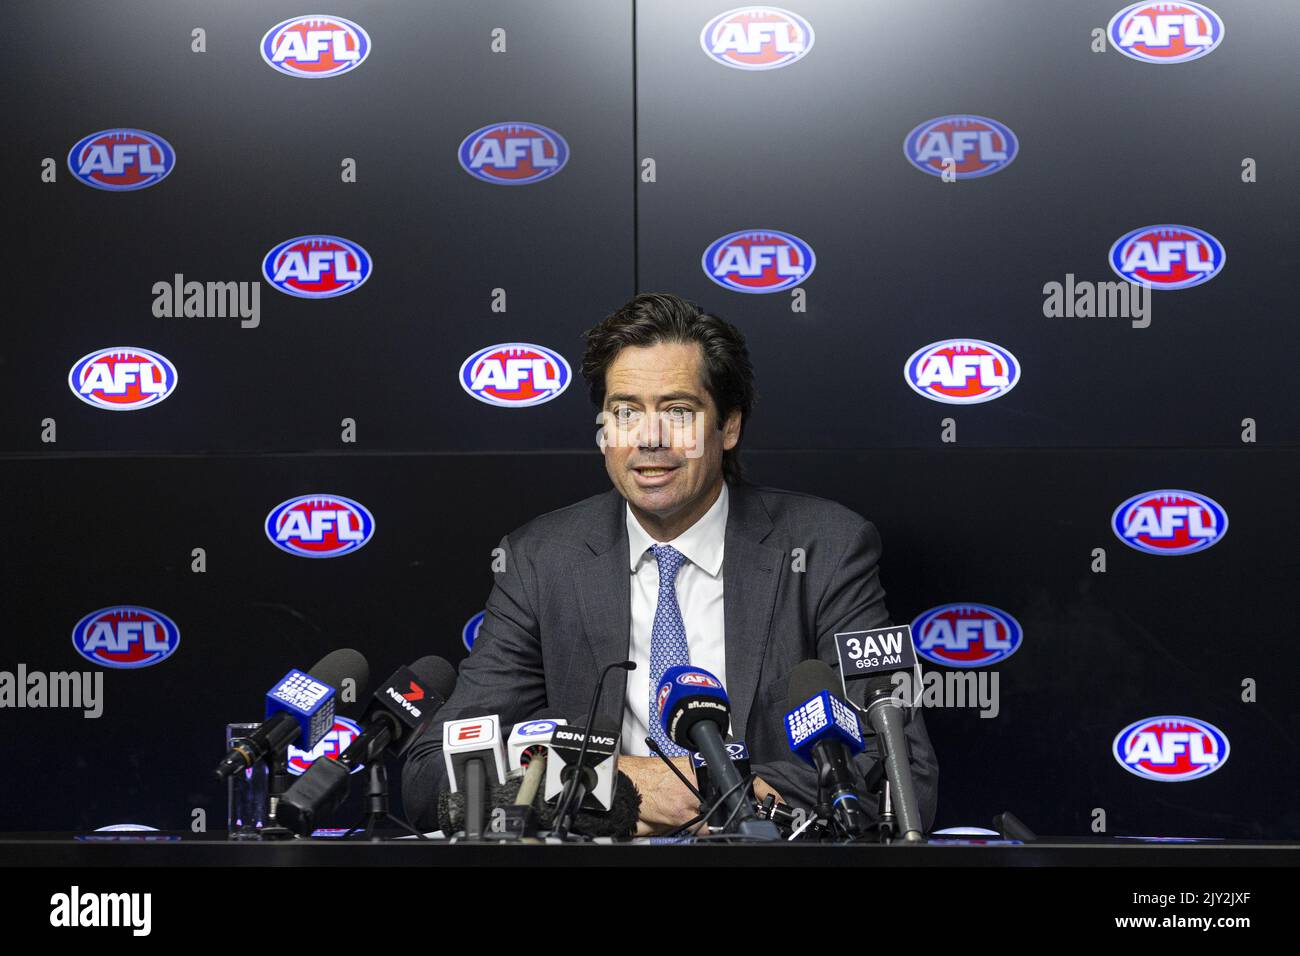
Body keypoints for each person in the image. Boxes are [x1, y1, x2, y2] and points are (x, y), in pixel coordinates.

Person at [401, 292, 938, 835]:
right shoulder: (542, 561)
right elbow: (433, 778)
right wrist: (617, 785)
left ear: (728, 426)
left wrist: (703, 790)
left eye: (678, 411)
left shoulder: (827, 549)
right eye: (625, 411)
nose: (649, 437)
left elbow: (901, 774)